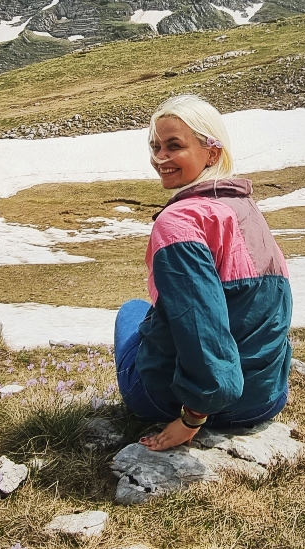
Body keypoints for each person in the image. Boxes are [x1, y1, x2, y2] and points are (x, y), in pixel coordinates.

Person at [114, 94, 293, 452]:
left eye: (173, 146)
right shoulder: (245, 207)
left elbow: (199, 322)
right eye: (155, 147)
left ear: (212, 153)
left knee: (132, 311)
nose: (160, 158)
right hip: (263, 401)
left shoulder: (179, 220)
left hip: (193, 404)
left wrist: (191, 418)